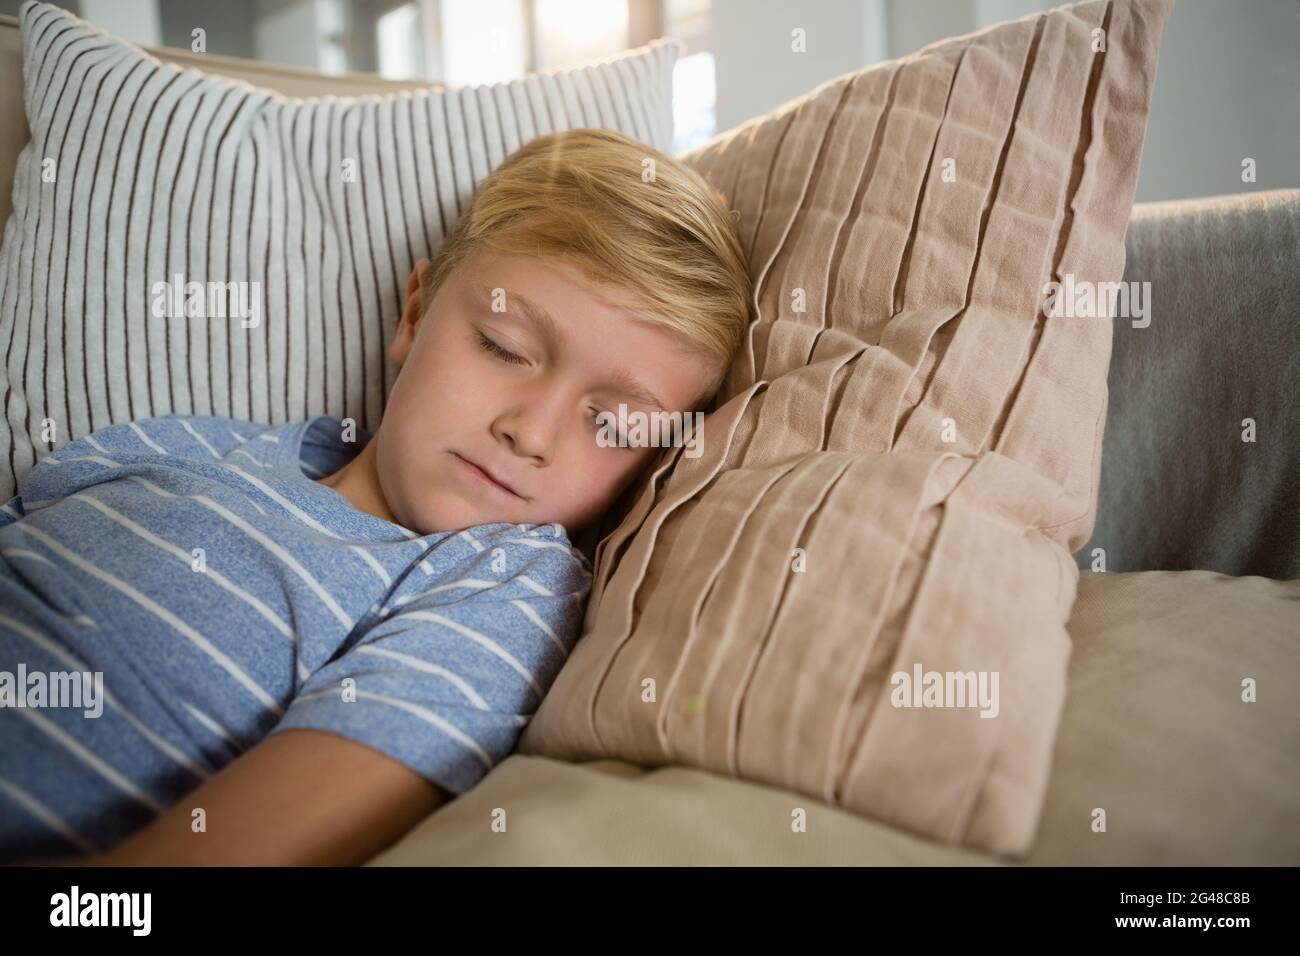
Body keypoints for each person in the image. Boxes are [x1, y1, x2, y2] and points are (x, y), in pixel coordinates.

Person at [0, 127, 751, 865]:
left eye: (612, 424)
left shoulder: (504, 586)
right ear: (416, 313)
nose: (529, 432)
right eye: (503, 347)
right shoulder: (185, 443)